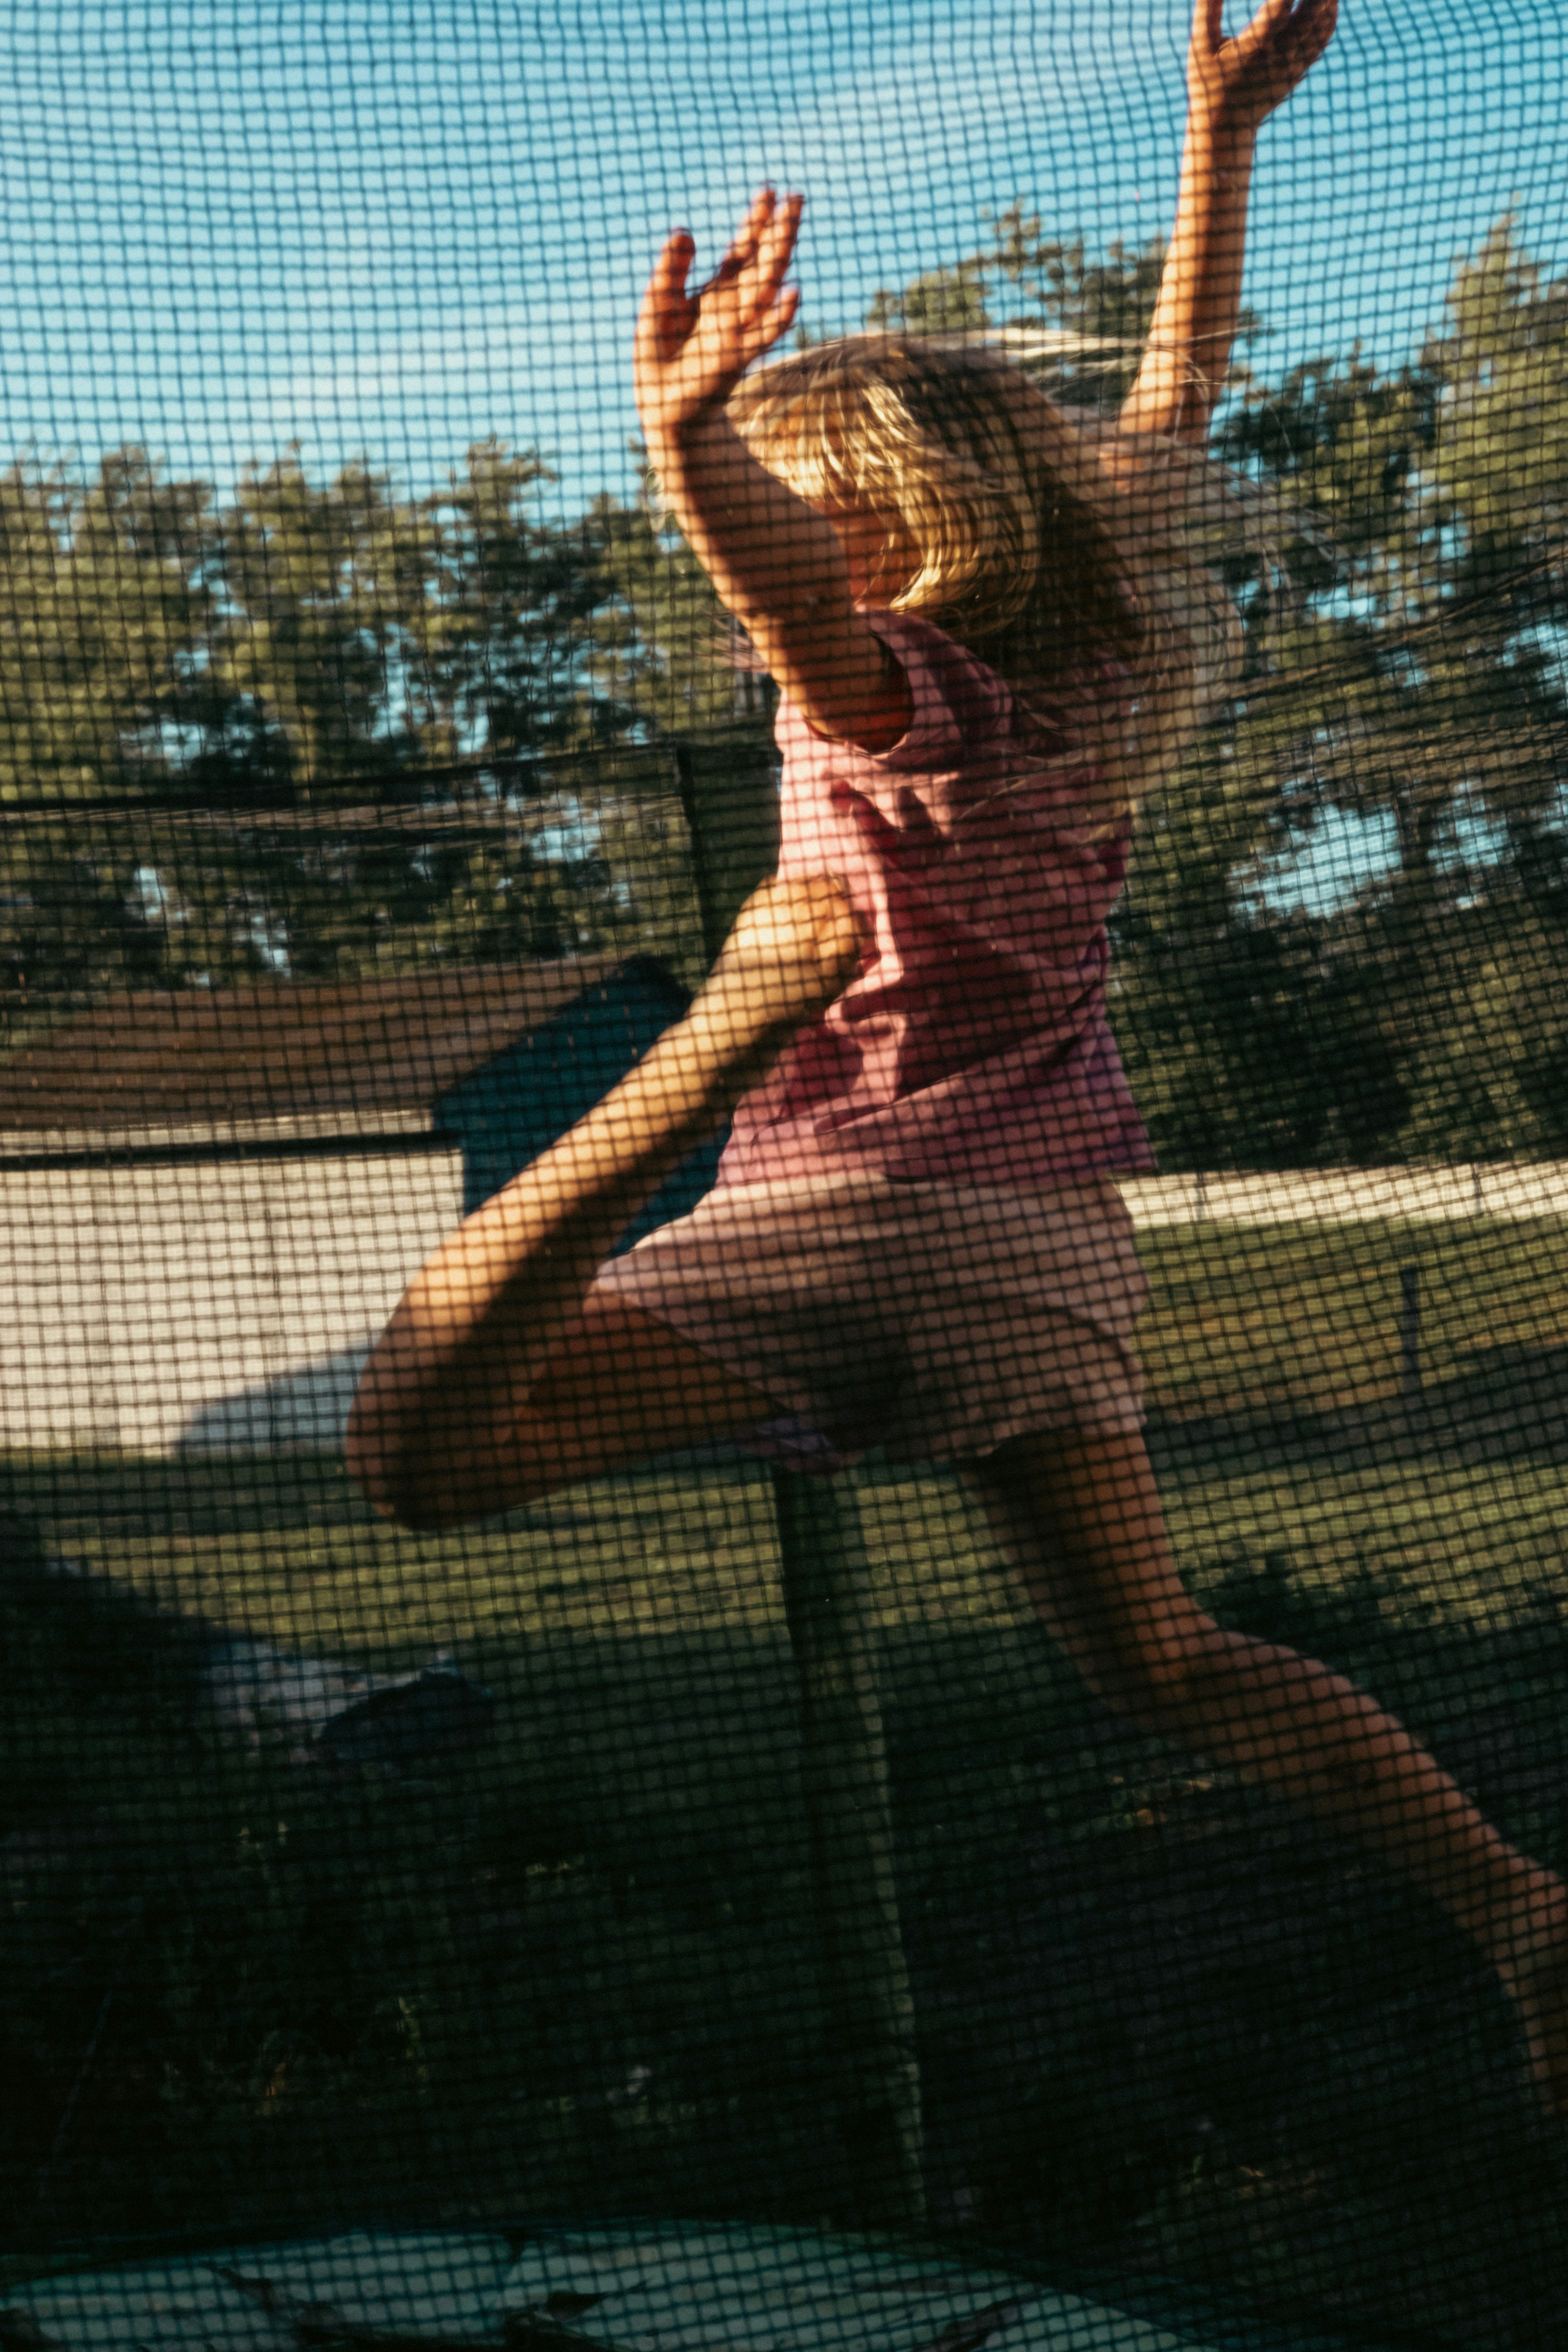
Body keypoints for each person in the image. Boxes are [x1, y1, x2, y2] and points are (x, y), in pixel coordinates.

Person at [348, 0, 1568, 2109]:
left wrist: (685, 443)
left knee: (417, 1462)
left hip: (856, 1222)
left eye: (816, 530)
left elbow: (786, 589)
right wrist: (1218, 136)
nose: (776, 586)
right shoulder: (1104, 668)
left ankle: (696, 1059)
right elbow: (1172, 401)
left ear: (899, 535)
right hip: (1051, 1261)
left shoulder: (889, 697)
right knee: (1173, 1661)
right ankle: (1525, 1908)